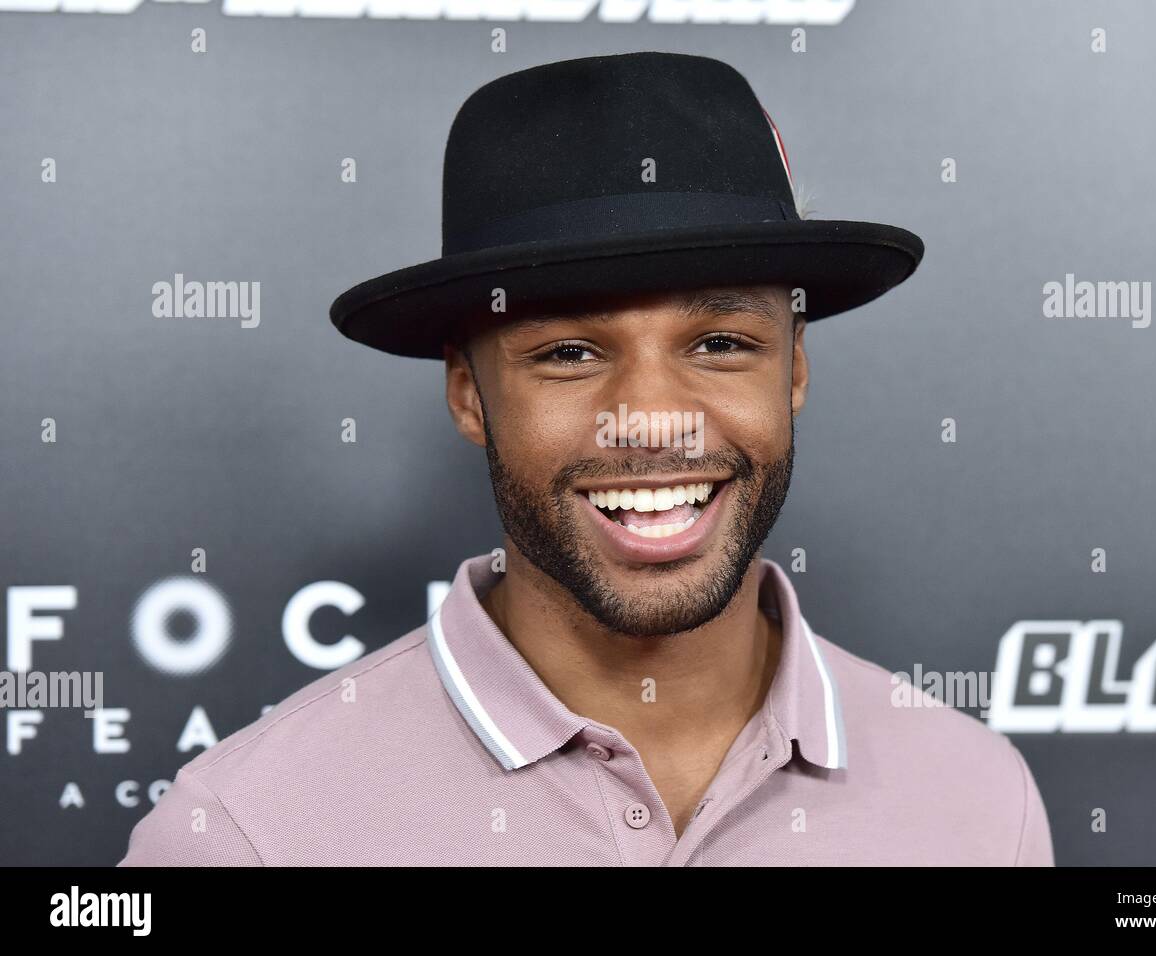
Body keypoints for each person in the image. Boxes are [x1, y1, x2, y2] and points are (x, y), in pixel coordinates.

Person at [119, 51, 1053, 866]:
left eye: (722, 343)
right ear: (466, 395)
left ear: (795, 368)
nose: (652, 421)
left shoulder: (977, 800)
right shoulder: (248, 835)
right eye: (568, 353)